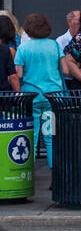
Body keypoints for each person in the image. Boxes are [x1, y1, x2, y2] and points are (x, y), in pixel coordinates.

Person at [14, 14, 62, 166]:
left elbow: (19, 73)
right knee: (50, 135)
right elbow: (65, 70)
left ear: (28, 29)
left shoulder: (23, 48)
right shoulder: (54, 45)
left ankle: (29, 173)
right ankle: (54, 173)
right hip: (52, 96)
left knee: (32, 136)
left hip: (31, 97)